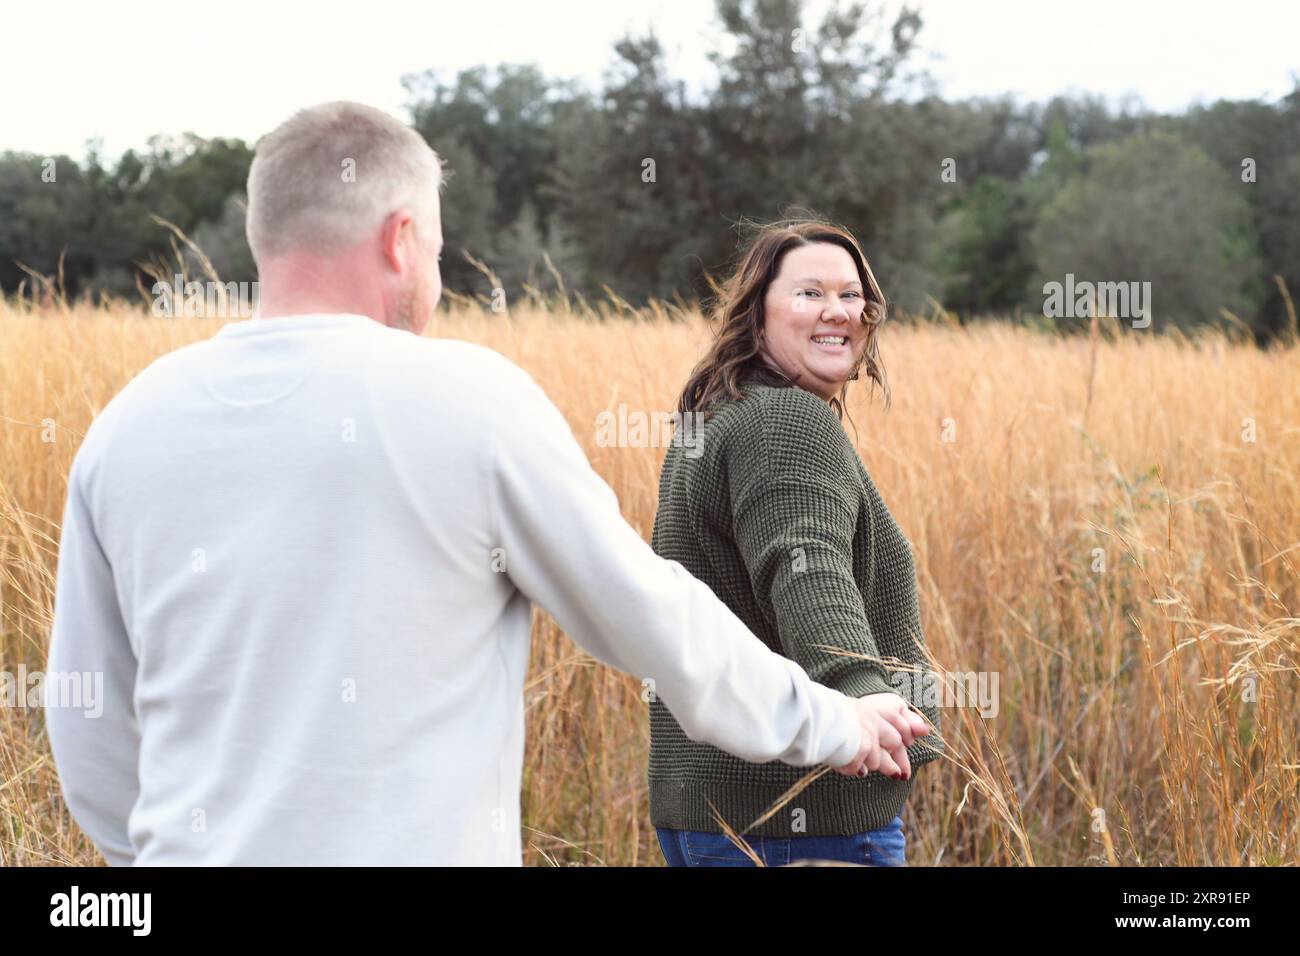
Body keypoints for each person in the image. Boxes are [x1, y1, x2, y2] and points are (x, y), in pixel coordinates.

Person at [42, 103, 926, 866]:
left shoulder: (126, 426)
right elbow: (652, 616)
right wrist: (834, 721)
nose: (433, 275)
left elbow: (88, 731)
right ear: (399, 238)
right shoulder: (466, 400)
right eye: (433, 246)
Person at [649, 220, 945, 867]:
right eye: (810, 293)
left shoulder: (724, 415)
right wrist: (859, 689)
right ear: (757, 317)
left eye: (851, 293)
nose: (838, 310)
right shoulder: (785, 420)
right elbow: (805, 564)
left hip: (721, 809)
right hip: (798, 818)